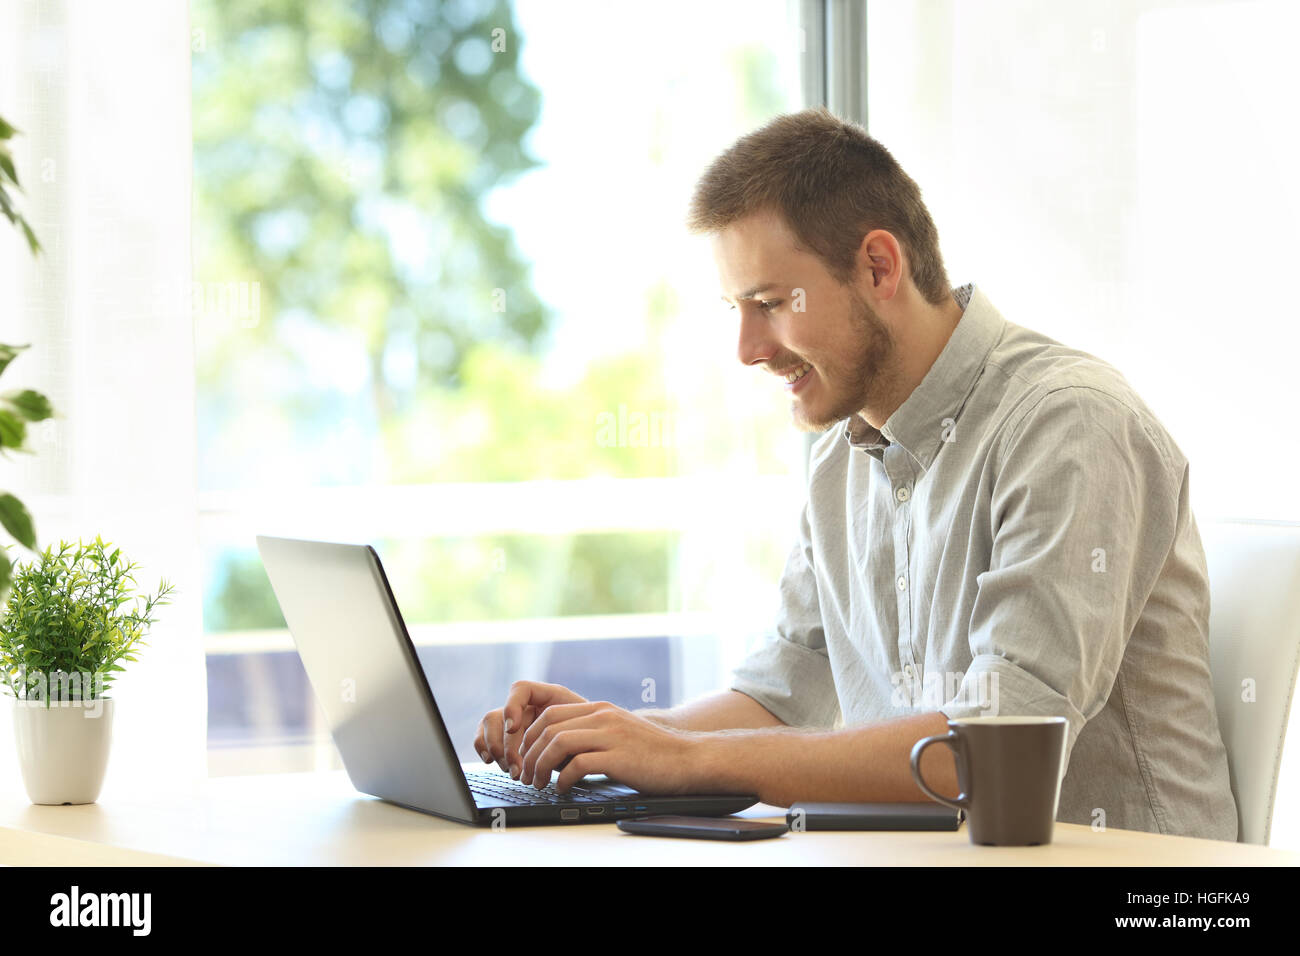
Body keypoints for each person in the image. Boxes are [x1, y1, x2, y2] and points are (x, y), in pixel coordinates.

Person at [473, 107, 1238, 840]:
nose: (746, 348)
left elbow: (997, 749)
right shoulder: (840, 461)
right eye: (736, 309)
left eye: (769, 303)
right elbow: (782, 693)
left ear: (878, 266)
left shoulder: (1070, 425)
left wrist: (686, 758)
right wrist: (610, 737)